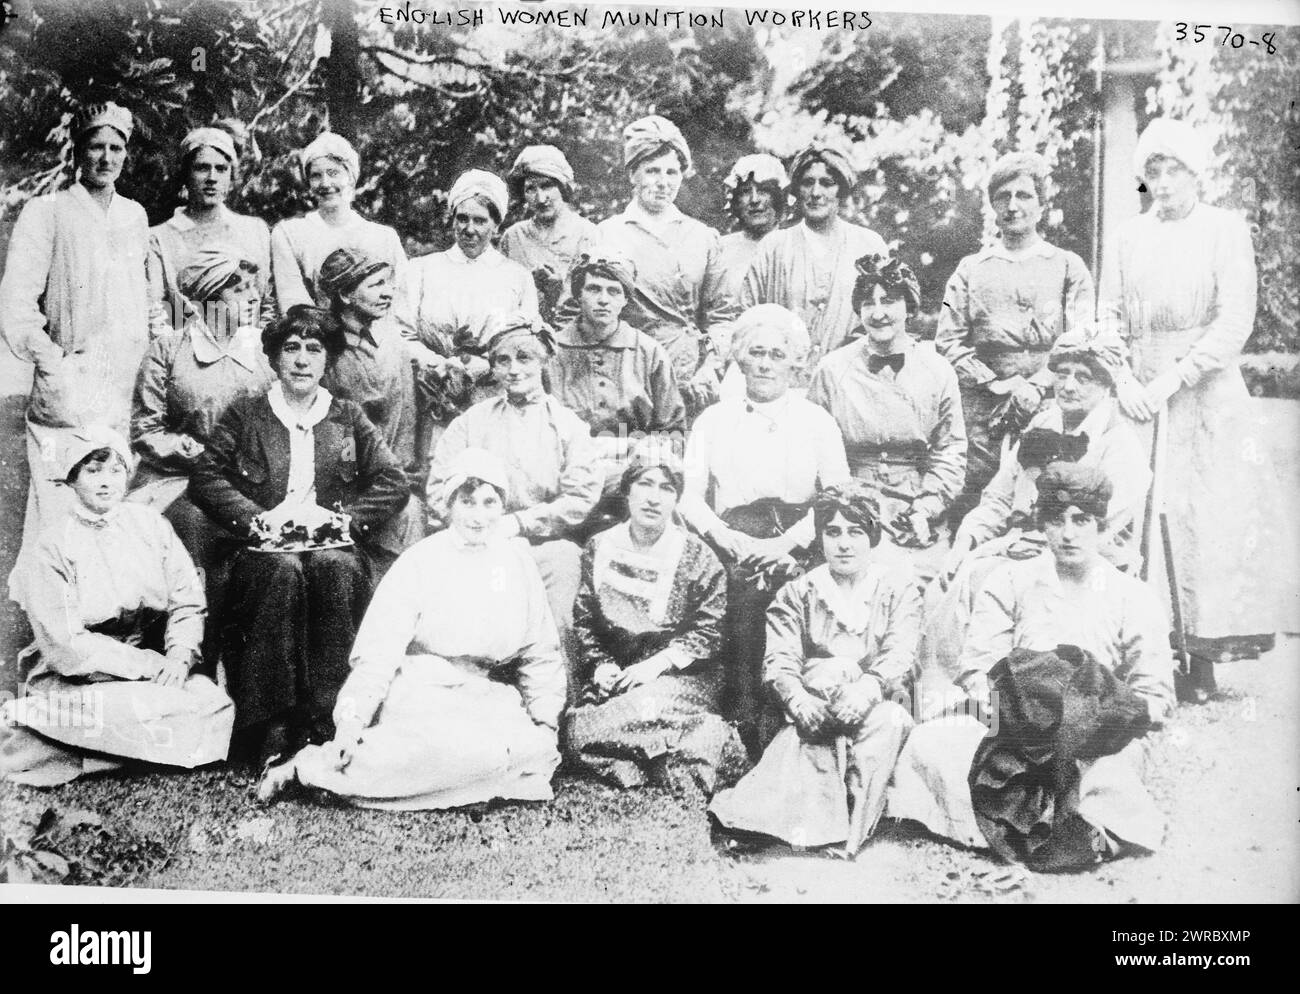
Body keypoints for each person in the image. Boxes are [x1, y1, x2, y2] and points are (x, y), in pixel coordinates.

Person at [888, 463, 1174, 861]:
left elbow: (1155, 694)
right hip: (1013, 723)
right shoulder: (1010, 580)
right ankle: (993, 824)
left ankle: (1066, 828)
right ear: (1042, 525)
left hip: (1095, 733)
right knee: (930, 743)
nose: (1069, 533)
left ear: (1102, 527)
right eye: (1057, 520)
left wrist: (1101, 718)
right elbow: (978, 667)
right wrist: (1013, 714)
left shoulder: (1133, 596)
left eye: (1082, 520)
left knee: (1105, 778)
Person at [255, 448, 565, 809]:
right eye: (467, 502)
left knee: (530, 755)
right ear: (448, 506)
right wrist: (352, 723)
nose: (478, 517)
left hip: (484, 695)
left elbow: (541, 654)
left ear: (502, 507)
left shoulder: (518, 564)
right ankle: (308, 767)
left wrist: (546, 722)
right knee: (467, 755)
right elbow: (377, 655)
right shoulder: (421, 561)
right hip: (422, 691)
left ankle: (393, 781)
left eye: (489, 503)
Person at [1098, 117, 1294, 683]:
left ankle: (1201, 657)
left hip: (1205, 391)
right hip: (1138, 391)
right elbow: (1106, 315)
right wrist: (1124, 379)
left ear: (1195, 172)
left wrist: (1176, 376)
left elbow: (1235, 319)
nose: (1162, 181)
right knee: (1132, 506)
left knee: (1203, 516)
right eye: (1152, 170)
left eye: (1173, 168)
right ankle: (1141, 652)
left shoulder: (1224, 230)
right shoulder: (1127, 236)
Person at [188, 305, 409, 765]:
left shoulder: (346, 416)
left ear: (328, 360)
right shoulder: (248, 413)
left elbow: (393, 480)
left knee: (336, 566)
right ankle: (271, 724)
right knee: (282, 572)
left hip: (328, 543)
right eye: (291, 349)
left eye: (314, 349)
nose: (303, 360)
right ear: (274, 358)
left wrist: (344, 522)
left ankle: (328, 719)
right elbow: (206, 477)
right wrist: (256, 519)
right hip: (262, 549)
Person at [0, 428, 234, 786]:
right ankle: (61, 737)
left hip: (150, 667)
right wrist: (148, 666)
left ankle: (97, 750)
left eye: (116, 470)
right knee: (127, 710)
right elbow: (67, 646)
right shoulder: (51, 546)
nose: (106, 482)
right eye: (93, 471)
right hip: (77, 677)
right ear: (72, 477)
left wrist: (179, 655)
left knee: (212, 704)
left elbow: (187, 597)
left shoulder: (151, 525)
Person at [923, 324, 1150, 676]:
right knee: (954, 578)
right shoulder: (1041, 424)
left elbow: (1097, 529)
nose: (1069, 385)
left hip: (1085, 556)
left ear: (1106, 385)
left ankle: (1007, 689)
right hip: (1021, 546)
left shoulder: (1120, 446)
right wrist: (967, 540)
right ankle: (955, 689)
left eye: (1083, 377)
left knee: (989, 576)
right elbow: (999, 498)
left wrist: (1011, 547)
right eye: (1062, 374)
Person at [708, 482, 918, 857]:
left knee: (893, 720)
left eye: (856, 532)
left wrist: (868, 687)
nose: (844, 544)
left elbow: (901, 652)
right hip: (808, 711)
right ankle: (816, 825)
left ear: (872, 536)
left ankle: (843, 831)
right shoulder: (798, 592)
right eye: (833, 532)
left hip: (874, 706)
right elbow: (780, 661)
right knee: (827, 676)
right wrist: (798, 698)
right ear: (820, 537)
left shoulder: (897, 589)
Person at [680, 304, 850, 749]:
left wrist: (789, 543)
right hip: (730, 537)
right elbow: (690, 498)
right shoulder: (713, 421)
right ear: (739, 357)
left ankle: (783, 710)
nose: (765, 363)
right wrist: (727, 536)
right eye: (756, 352)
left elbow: (837, 498)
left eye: (777, 354)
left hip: (801, 537)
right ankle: (741, 713)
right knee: (740, 592)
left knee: (785, 594)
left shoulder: (817, 422)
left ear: (795, 362)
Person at [0, 102, 151, 600]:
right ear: (78, 151)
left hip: (122, 386)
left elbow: (145, 299)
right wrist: (51, 362)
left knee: (110, 512)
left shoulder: (134, 216)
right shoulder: (47, 213)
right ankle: (49, 644)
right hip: (68, 387)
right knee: (59, 513)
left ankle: (107, 635)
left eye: (116, 148)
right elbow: (17, 304)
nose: (106, 158)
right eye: (96, 146)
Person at [426, 311, 601, 699]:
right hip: (477, 544)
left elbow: (581, 496)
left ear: (543, 361)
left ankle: (561, 707)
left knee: (561, 587)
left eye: (525, 359)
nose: (514, 369)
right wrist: (480, 524)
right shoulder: (471, 422)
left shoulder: (568, 426)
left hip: (544, 547)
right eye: (503, 360)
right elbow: (439, 489)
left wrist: (521, 523)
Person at [566, 444, 743, 795]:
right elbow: (586, 620)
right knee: (575, 732)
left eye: (667, 489)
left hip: (683, 679)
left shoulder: (698, 556)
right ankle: (676, 750)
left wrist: (656, 666)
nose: (654, 498)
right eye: (645, 484)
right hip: (619, 675)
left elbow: (708, 632)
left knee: (632, 711)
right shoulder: (600, 547)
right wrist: (601, 666)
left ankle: (690, 740)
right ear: (627, 490)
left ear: (676, 498)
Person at [129, 246, 275, 666]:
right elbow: (146, 430)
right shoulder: (169, 350)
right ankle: (190, 650)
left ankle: (248, 660)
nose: (252, 298)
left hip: (241, 481)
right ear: (209, 300)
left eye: (253, 289)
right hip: (175, 481)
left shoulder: (261, 355)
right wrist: (188, 449)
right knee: (196, 524)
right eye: (238, 290)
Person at [936, 152, 1095, 525]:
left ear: (1041, 204)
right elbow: (947, 341)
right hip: (985, 409)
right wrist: (995, 383)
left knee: (1053, 498)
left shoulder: (1068, 266)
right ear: (992, 205)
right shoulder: (970, 269)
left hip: (1055, 401)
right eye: (1003, 196)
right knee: (981, 501)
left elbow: (1082, 336)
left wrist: (1040, 384)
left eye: (1024, 195)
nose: (1013, 206)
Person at [808, 253, 966, 576]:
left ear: (909, 307)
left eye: (889, 301)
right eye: (868, 303)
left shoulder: (937, 371)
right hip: (848, 505)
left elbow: (950, 453)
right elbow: (811, 452)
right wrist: (842, 504)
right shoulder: (832, 370)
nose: (878, 313)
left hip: (917, 502)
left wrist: (926, 508)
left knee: (925, 583)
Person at [595, 115, 734, 413]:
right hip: (627, 380)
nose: (663, 182)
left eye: (672, 172)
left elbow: (722, 315)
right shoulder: (606, 235)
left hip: (691, 381)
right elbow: (586, 316)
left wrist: (711, 368)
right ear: (633, 174)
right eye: (652, 171)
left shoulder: (702, 237)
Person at [399, 168, 540, 449]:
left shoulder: (516, 277)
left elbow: (527, 343)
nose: (470, 229)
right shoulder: (421, 270)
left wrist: (486, 365)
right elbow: (400, 333)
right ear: (451, 220)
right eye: (462, 219)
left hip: (494, 395)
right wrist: (439, 365)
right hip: (431, 396)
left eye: (480, 220)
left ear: (496, 226)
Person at [317, 247, 426, 575]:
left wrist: (403, 471)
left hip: (397, 479)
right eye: (376, 284)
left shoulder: (391, 341)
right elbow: (334, 438)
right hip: (350, 490)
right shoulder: (327, 354)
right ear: (346, 294)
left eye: (389, 283)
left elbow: (406, 416)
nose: (388, 292)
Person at [548, 248, 685, 507]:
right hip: (564, 473)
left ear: (625, 300)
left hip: (632, 477)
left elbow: (672, 431)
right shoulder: (552, 351)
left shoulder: (648, 351)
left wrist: (642, 453)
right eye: (594, 289)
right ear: (578, 294)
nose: (603, 300)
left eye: (614, 291)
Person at [740, 144, 888, 380]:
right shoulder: (774, 247)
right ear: (797, 189)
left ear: (841, 189)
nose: (816, 192)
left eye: (827, 183)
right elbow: (748, 318)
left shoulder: (869, 246)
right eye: (808, 182)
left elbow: (884, 317)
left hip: (850, 382)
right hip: (784, 385)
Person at [147, 125, 274, 333]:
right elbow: (156, 313)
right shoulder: (160, 238)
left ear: (232, 176)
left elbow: (268, 304)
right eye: (202, 168)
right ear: (185, 174)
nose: (212, 177)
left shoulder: (254, 230)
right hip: (186, 352)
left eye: (221, 168)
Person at [270, 132, 406, 312]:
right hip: (314, 335)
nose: (325, 183)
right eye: (316, 175)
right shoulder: (290, 233)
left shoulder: (384, 237)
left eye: (333, 173)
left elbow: (403, 300)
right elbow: (293, 300)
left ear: (350, 177)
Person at [499, 145, 598, 324]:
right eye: (530, 189)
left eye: (547, 186)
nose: (540, 198)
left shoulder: (587, 234)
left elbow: (598, 303)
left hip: (575, 342)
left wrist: (559, 292)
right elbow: (502, 301)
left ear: (563, 187)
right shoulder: (513, 237)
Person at [717, 154, 788, 308]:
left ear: (777, 197)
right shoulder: (720, 249)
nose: (754, 200)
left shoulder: (794, 246)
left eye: (763, 190)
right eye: (745, 192)